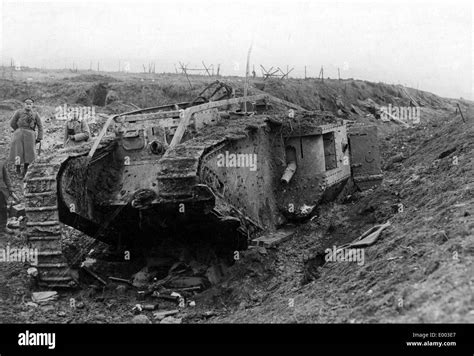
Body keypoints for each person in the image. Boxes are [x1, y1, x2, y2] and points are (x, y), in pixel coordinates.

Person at [9, 98, 43, 177]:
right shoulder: (18, 112)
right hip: (19, 134)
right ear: (24, 104)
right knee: (18, 151)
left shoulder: (35, 114)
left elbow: (40, 126)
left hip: (30, 135)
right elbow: (12, 123)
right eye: (27, 103)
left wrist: (39, 137)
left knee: (29, 153)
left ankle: (26, 169)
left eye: (30, 104)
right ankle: (17, 169)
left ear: (32, 105)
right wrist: (17, 130)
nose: (28, 105)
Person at [0, 159, 13, 234]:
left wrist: (10, 188)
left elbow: (6, 177)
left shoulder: (1, 164)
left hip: (1, 190)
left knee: (3, 208)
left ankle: (3, 227)